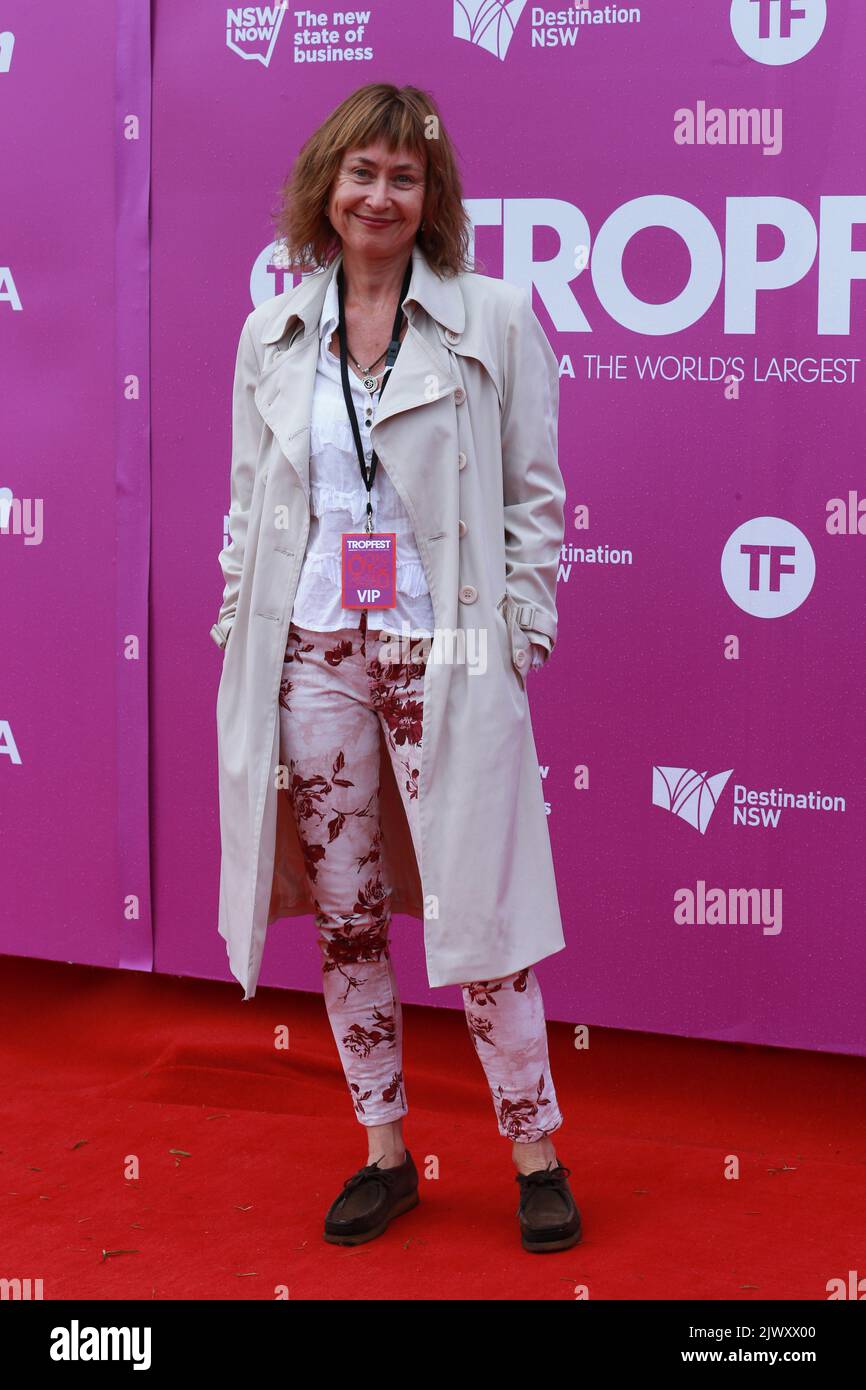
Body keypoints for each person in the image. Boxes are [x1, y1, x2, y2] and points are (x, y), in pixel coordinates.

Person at [212, 83, 579, 1253]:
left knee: (481, 916)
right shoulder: (271, 335)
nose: (380, 193)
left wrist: (518, 632)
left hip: (449, 656)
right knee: (348, 918)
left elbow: (533, 496)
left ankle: (534, 1154)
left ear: (432, 199)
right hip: (312, 654)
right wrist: (240, 622)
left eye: (403, 175)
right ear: (326, 187)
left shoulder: (492, 319)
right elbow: (247, 506)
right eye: (360, 172)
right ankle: (385, 1150)